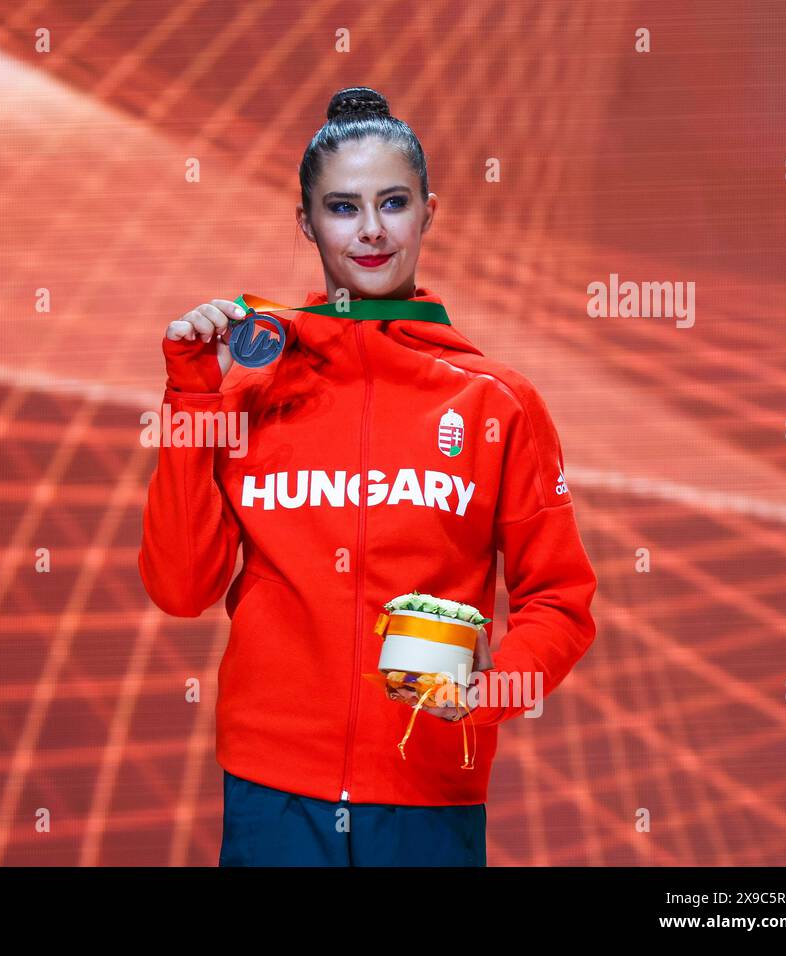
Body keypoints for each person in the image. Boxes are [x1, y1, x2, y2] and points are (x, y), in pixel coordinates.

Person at [137, 86, 597, 866]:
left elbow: (561, 602)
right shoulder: (250, 386)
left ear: (429, 213)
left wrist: (491, 695)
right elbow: (182, 589)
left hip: (428, 799)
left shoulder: (497, 401)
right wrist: (191, 396)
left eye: (393, 202)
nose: (373, 230)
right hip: (270, 792)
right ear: (307, 222)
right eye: (344, 207)